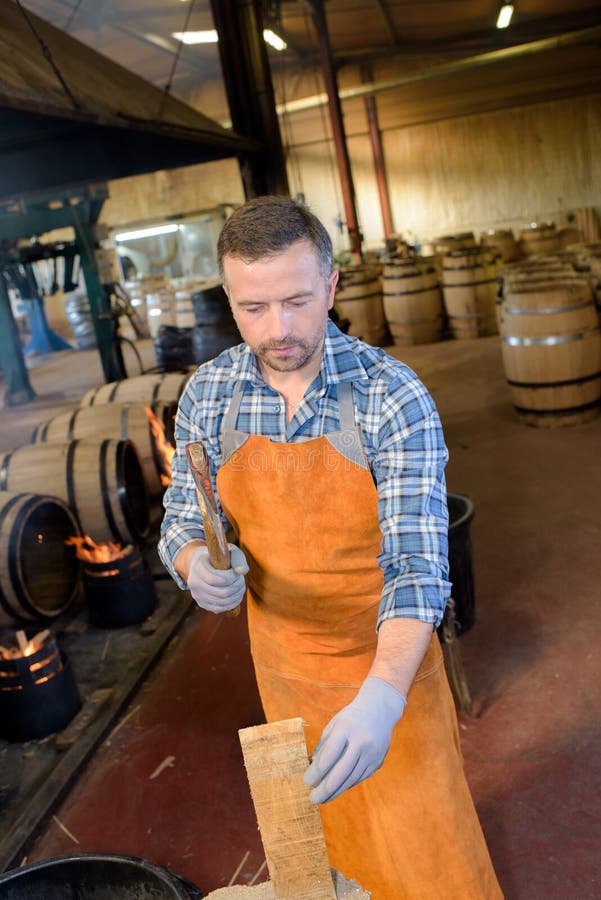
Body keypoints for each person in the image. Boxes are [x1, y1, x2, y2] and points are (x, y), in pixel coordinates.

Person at [158, 196, 502, 899]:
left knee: (428, 856)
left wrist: (380, 699)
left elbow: (416, 565)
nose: (278, 329)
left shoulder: (391, 397)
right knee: (322, 857)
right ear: (229, 298)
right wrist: (195, 565)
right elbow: (179, 520)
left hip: (388, 669)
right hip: (282, 672)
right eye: (253, 308)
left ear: (332, 286)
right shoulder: (208, 396)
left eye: (296, 301)